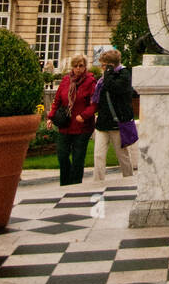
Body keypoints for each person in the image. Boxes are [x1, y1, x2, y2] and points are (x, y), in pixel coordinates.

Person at [46, 55, 97, 187]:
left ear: (85, 67)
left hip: (82, 126)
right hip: (66, 124)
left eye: (81, 66)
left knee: (78, 158)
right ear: (72, 67)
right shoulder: (66, 80)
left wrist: (84, 115)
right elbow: (57, 100)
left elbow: (95, 104)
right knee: (62, 156)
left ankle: (75, 185)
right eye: (76, 66)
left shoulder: (90, 82)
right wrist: (51, 117)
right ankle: (65, 183)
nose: (78, 69)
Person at [92, 49, 138, 183]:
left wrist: (108, 73)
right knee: (98, 155)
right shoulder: (103, 79)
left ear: (110, 65)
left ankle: (128, 179)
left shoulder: (123, 74)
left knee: (122, 155)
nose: (102, 68)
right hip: (103, 122)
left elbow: (115, 88)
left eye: (104, 65)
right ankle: (98, 181)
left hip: (118, 122)